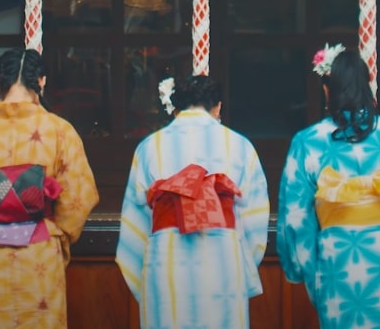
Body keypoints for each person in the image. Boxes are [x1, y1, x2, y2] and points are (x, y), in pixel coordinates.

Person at [277, 43, 380, 328]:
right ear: (367, 86)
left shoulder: (308, 141)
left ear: (327, 89)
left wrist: (305, 269)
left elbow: (295, 219)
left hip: (339, 257)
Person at [0, 48, 98, 329]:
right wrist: (58, 234)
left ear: (0, 80)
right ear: (42, 81)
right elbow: (79, 198)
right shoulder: (60, 130)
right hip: (38, 248)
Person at [115, 75, 270, 328]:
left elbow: (135, 227)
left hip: (166, 265)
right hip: (223, 264)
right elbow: (254, 220)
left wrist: (145, 280)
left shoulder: (149, 147)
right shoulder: (240, 146)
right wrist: (241, 265)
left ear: (176, 107)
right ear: (218, 106)